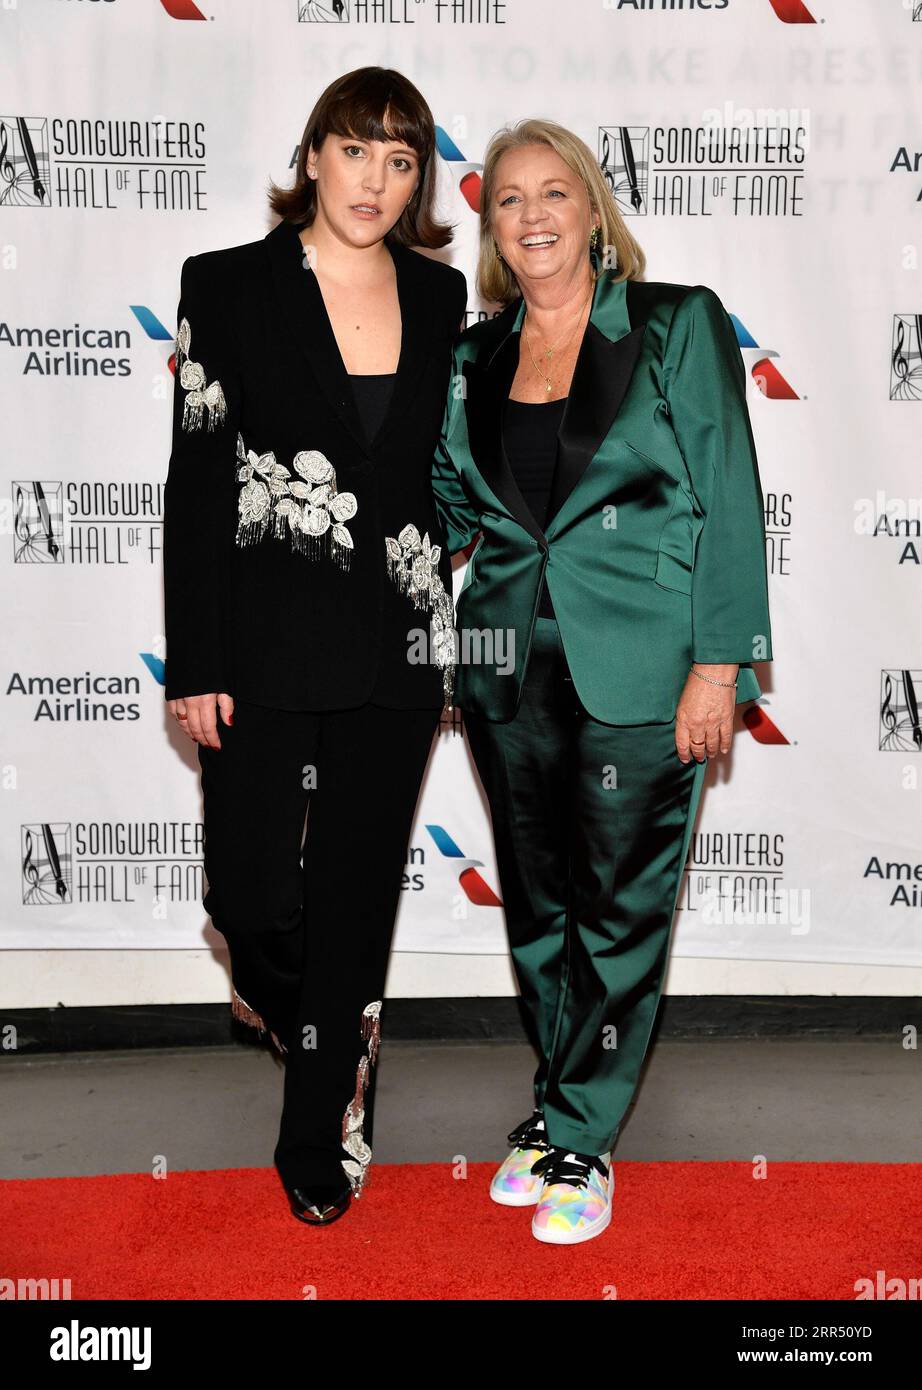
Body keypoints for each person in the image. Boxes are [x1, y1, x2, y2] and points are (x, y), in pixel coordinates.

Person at [431, 118, 773, 1245]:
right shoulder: (474, 357)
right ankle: (558, 1101)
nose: (531, 216)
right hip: (503, 671)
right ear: (492, 229)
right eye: (508, 201)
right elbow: (439, 508)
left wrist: (717, 666)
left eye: (553, 194)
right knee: (539, 904)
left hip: (642, 668)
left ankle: (580, 1134)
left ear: (592, 213)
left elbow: (726, 494)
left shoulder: (674, 324)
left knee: (620, 909)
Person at [162, 66, 466, 1226]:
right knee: (250, 900)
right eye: (356, 151)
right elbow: (197, 484)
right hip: (259, 649)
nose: (376, 181)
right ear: (312, 155)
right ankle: (335, 1036)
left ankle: (317, 1132)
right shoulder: (227, 288)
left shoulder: (441, 303)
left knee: (352, 902)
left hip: (395, 650)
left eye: (402, 162)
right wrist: (196, 660)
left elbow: (445, 479)